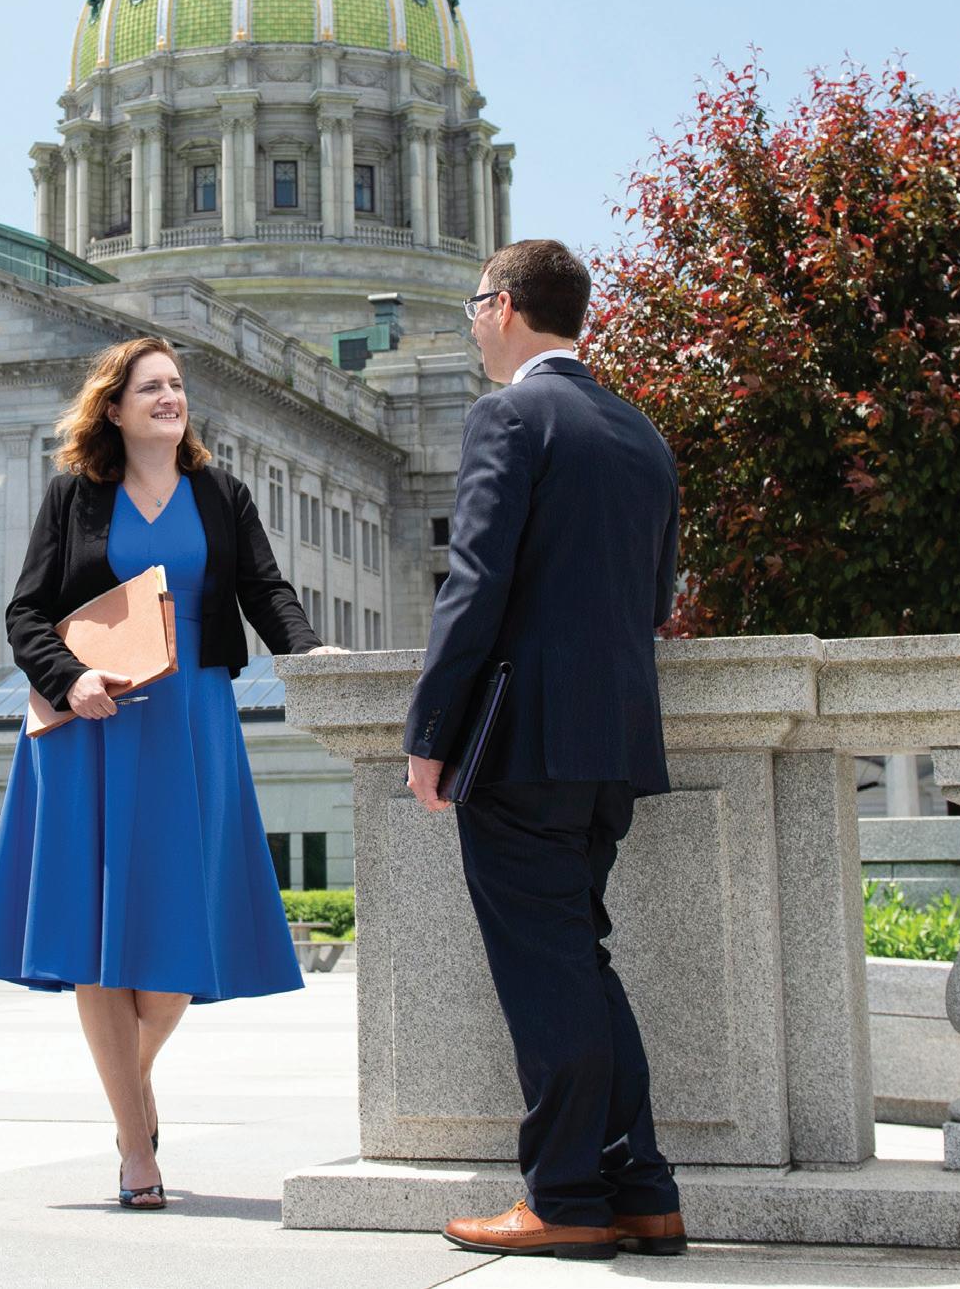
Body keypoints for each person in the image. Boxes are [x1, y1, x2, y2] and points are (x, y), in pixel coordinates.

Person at [0, 336, 325, 1210]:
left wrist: (314, 658)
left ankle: (129, 1088)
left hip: (193, 719)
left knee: (170, 955)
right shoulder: (74, 496)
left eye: (176, 385)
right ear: (114, 407)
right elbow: (26, 612)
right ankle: (137, 1148)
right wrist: (69, 677)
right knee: (99, 943)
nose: (170, 397)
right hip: (92, 724)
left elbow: (266, 591)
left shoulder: (220, 493)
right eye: (151, 387)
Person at [405, 239, 685, 1263]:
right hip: (615, 738)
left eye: (476, 306)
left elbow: (474, 583)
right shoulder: (640, 430)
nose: (474, 324)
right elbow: (655, 598)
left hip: (522, 741)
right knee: (580, 960)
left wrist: (429, 733)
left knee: (546, 975)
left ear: (506, 307)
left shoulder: (510, 416)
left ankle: (564, 1194)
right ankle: (641, 1189)